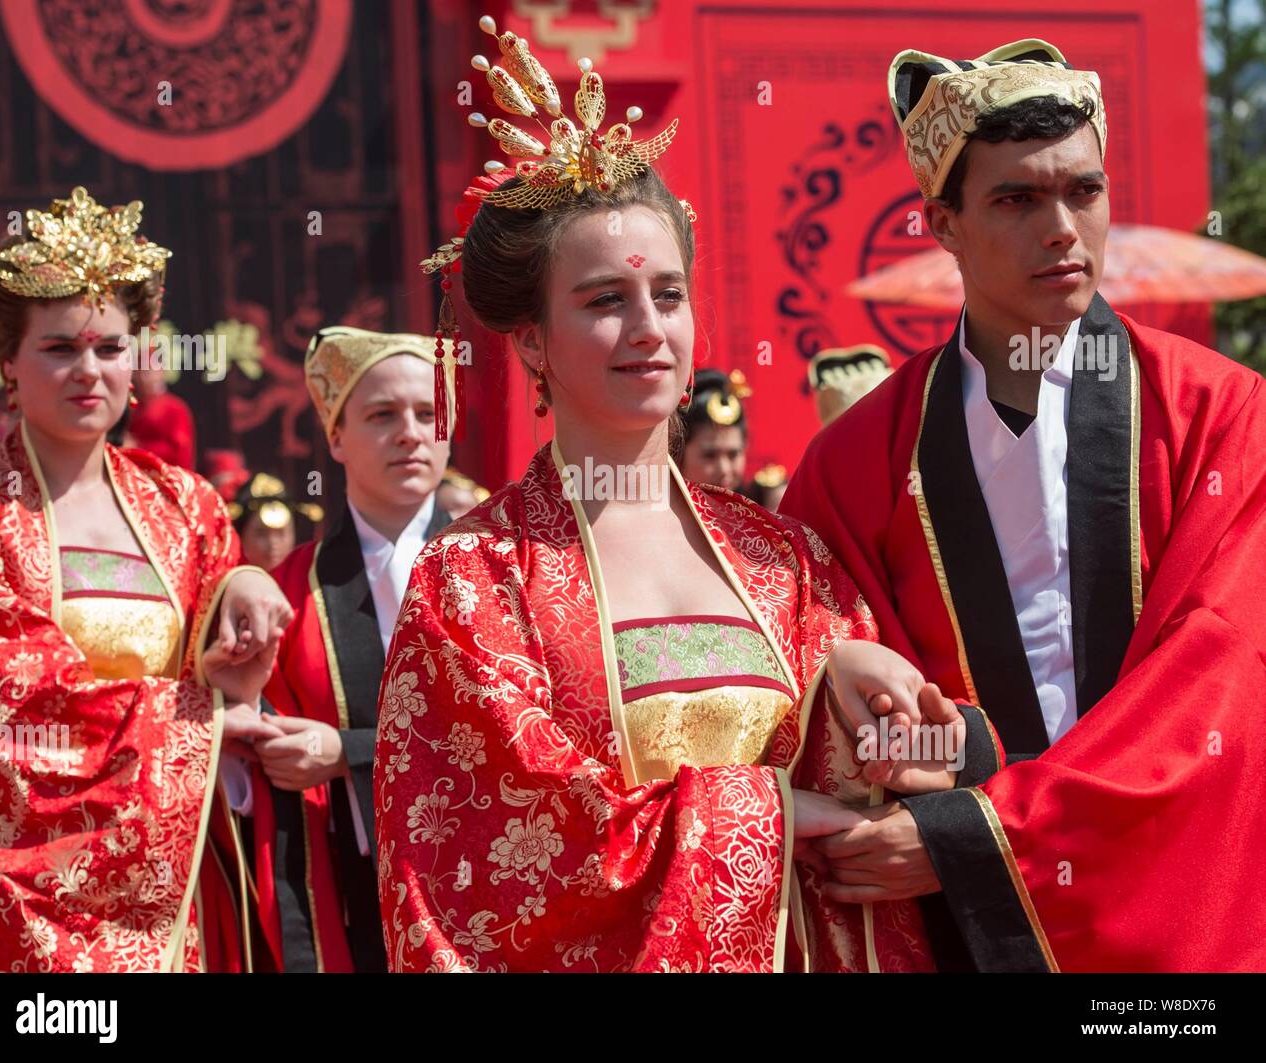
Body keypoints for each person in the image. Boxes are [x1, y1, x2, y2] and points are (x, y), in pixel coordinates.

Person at [373, 17, 980, 973]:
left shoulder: (782, 560)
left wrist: (845, 695)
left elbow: (881, 788)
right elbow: (489, 873)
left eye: (668, 293)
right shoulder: (471, 584)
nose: (647, 327)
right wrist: (769, 813)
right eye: (604, 300)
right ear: (532, 340)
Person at [781, 40, 1266, 972]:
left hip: (1177, 923)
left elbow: (1223, 681)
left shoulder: (1222, 415)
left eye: (1084, 192)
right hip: (949, 930)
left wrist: (976, 835)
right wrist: (922, 769)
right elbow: (808, 686)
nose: (1062, 229)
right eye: (1016, 199)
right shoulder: (852, 463)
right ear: (941, 222)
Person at [0, 186, 292, 972]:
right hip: (18, 900)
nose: (89, 371)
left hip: (170, 892)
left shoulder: (187, 506)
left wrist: (243, 585)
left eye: (110, 348)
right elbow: (3, 693)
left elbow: (232, 680)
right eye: (59, 348)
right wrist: (198, 721)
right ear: (6, 359)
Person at [248, 328, 455, 972]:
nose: (410, 433)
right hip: (351, 901)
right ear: (335, 437)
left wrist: (349, 752)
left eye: (428, 414)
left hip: (492, 883)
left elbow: (521, 741)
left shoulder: (507, 571)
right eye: (381, 415)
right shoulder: (290, 589)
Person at [229, 472, 323, 573]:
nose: (272, 543)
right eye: (261, 533)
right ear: (240, 536)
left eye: (281, 533)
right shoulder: (226, 584)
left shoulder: (310, 579)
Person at [678, 367, 750, 491]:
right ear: (678, 453)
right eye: (709, 455)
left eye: (733, 455)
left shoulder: (753, 509)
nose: (724, 470)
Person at [127, 361, 196, 469]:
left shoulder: (175, 408)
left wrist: (138, 447)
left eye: (147, 371)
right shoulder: (133, 407)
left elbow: (178, 451)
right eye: (138, 372)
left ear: (161, 372)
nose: (142, 377)